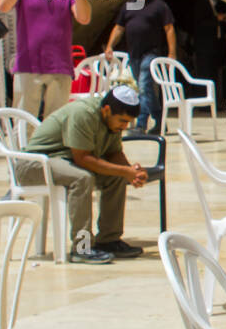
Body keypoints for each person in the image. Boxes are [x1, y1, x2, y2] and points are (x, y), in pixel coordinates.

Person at [16, 85, 148, 265]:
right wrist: (125, 171)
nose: (124, 126)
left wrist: (130, 171)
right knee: (82, 177)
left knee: (116, 176)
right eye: (122, 121)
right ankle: (81, 248)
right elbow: (83, 159)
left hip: (64, 161)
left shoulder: (111, 122)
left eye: (128, 123)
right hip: (34, 165)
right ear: (107, 110)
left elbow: (113, 153)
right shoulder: (83, 114)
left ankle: (109, 240)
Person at [0, 0, 91, 120]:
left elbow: (84, 18)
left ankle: (51, 150)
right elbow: (3, 6)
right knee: (24, 122)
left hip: (60, 65)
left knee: (56, 123)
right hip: (28, 64)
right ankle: (23, 150)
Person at [103, 0, 175, 134]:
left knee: (143, 87)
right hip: (134, 54)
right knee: (146, 89)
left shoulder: (159, 6)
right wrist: (110, 46)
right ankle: (160, 119)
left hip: (152, 54)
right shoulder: (128, 6)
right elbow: (119, 28)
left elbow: (169, 29)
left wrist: (172, 53)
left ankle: (140, 124)